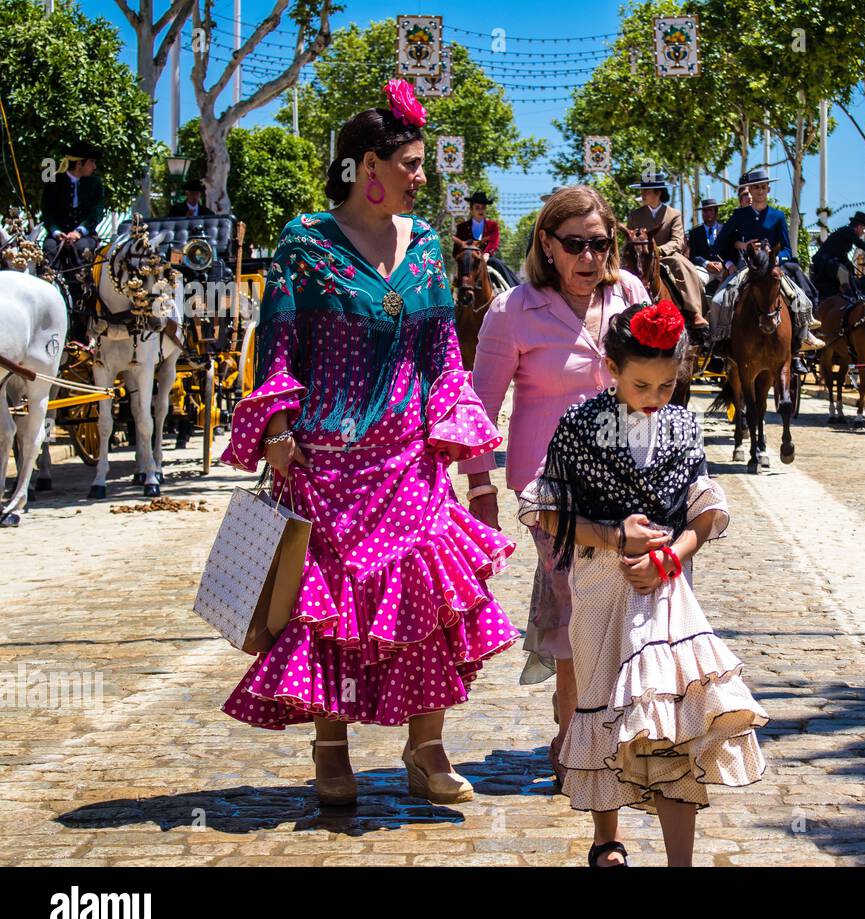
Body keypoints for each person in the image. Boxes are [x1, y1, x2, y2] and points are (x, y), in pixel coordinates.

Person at [217, 78, 518, 807]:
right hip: (325, 459)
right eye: (410, 164)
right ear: (366, 168)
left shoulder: (426, 250)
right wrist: (279, 428)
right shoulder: (305, 243)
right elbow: (280, 344)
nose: (422, 177)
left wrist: (472, 465)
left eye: (420, 164)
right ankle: (331, 751)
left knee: (427, 603)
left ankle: (428, 749)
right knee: (328, 611)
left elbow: (444, 354)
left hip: (411, 460)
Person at [518, 298, 768, 867]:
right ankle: (606, 839)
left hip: (666, 592)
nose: (654, 398)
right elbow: (545, 510)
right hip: (600, 587)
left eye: (665, 385)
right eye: (640, 385)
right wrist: (612, 536)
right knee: (602, 703)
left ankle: (680, 855)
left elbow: (704, 512)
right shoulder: (578, 426)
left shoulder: (682, 425)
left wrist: (670, 559)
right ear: (610, 369)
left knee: (673, 714)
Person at [461, 185, 650, 785]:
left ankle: (589, 722)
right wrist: (481, 490)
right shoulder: (511, 311)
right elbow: (478, 409)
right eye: (575, 245)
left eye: (600, 244)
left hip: (630, 483)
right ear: (547, 243)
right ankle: (580, 733)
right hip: (551, 493)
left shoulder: (631, 295)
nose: (589, 258)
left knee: (625, 606)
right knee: (582, 607)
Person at [710, 169, 824, 371]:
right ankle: (720, 343)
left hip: (771, 268)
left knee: (800, 298)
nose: (760, 191)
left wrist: (775, 255)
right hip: (747, 268)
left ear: (768, 189)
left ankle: (801, 341)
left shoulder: (778, 216)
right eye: (755, 187)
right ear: (750, 190)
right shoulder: (739, 215)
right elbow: (720, 245)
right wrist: (736, 254)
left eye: (763, 187)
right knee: (719, 300)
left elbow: (788, 248)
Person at [625, 173, 708, 336]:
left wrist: (658, 251)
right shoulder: (634, 215)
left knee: (681, 264)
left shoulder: (673, 214)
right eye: (643, 190)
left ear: (659, 193)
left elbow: (677, 241)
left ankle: (694, 312)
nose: (643, 194)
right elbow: (630, 239)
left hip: (667, 256)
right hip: (640, 257)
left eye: (647, 191)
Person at [40, 139, 103, 308]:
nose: (94, 167)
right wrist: (56, 231)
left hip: (85, 236)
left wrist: (79, 232)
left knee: (81, 248)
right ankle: (49, 293)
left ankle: (84, 296)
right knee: (49, 248)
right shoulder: (54, 182)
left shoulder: (95, 184)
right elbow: (47, 212)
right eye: (92, 162)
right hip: (58, 235)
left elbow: (96, 213)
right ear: (80, 163)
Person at [452, 190, 520, 288]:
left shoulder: (493, 226)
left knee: (496, 263)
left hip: (486, 259)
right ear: (471, 210)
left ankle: (514, 289)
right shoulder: (462, 227)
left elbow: (493, 242)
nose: (481, 210)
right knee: (456, 280)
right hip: (468, 261)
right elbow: (456, 249)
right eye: (477, 208)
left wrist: (487, 254)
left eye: (483, 208)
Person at [811, 211, 865, 301]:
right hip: (824, 262)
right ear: (858, 226)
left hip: (831, 262)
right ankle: (849, 295)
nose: (863, 232)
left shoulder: (847, 236)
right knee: (843, 272)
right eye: (863, 228)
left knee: (848, 269)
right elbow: (859, 243)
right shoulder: (847, 231)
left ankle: (855, 292)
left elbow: (842, 254)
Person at [687, 197, 726, 296]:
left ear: (716, 212)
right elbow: (693, 256)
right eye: (704, 210)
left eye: (710, 210)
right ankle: (700, 308)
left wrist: (723, 264)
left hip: (723, 268)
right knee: (694, 281)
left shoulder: (725, 229)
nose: (707, 213)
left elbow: (731, 251)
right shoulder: (694, 233)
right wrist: (707, 263)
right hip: (704, 270)